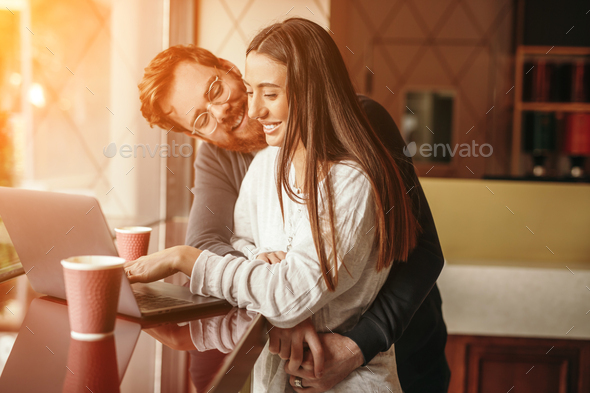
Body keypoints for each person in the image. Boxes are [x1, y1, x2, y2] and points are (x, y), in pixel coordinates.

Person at [130, 25, 449, 393]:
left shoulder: (358, 135)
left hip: (393, 330)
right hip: (292, 349)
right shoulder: (243, 163)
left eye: (216, 90)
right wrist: (282, 302)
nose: (223, 111)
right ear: (197, 135)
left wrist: (358, 342)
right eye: (201, 119)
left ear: (231, 69)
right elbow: (215, 244)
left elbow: (423, 248)